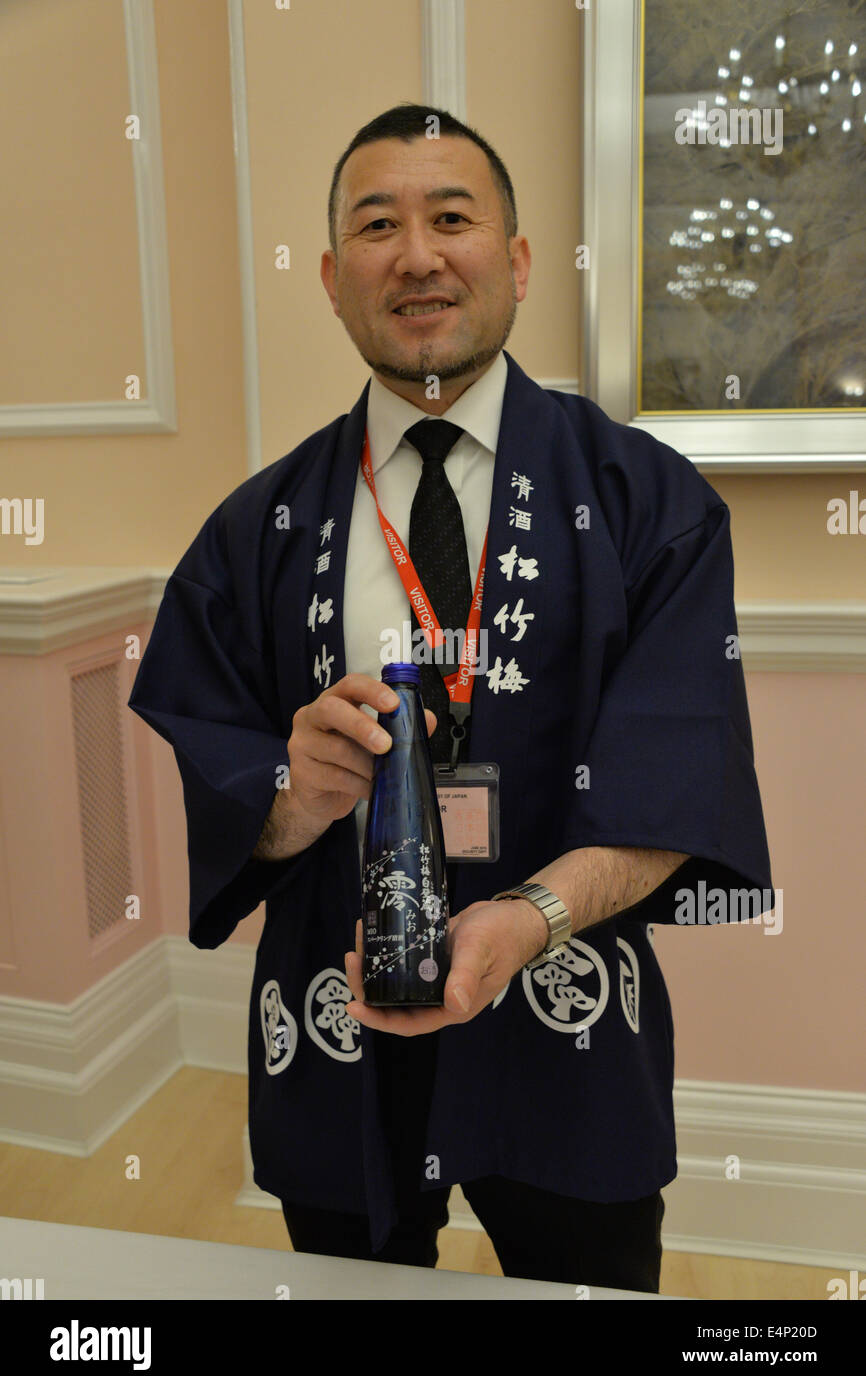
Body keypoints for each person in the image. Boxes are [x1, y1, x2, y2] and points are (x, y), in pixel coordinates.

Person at [128, 103, 773, 1293]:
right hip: (339, 999)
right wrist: (290, 788)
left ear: (517, 261)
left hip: (566, 999)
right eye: (378, 225)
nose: (417, 254)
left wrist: (524, 922)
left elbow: (676, 785)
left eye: (452, 217)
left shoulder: (647, 501)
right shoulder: (255, 529)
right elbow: (224, 787)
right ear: (332, 278)